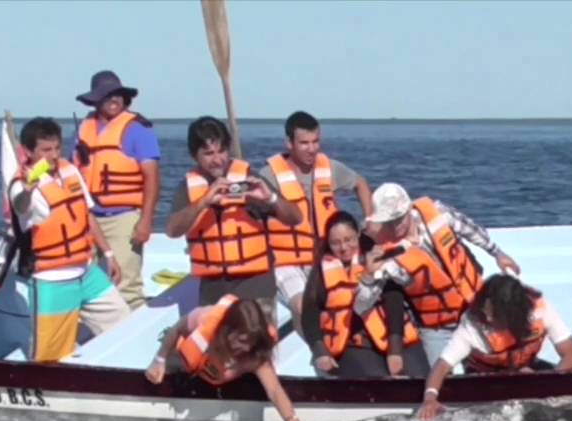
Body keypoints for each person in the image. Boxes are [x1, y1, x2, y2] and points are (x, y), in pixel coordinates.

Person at [356, 182, 521, 366]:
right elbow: (361, 304)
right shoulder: (384, 254)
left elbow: (470, 229)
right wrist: (368, 276)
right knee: (439, 374)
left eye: (399, 218)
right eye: (389, 222)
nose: (396, 226)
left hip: (475, 305)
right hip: (436, 326)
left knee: (501, 358)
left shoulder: (438, 214)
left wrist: (498, 253)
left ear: (409, 209)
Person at [8, 117, 129, 363]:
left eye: (56, 148)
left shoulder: (69, 170)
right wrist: (29, 189)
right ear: (28, 152)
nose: (53, 156)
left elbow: (87, 216)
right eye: (45, 150)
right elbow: (20, 208)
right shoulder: (21, 185)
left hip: (87, 272)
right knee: (49, 357)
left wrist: (108, 254)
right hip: (52, 280)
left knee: (125, 325)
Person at [164, 116, 302, 317]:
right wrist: (203, 201)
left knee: (258, 348)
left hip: (255, 288)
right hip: (213, 292)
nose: (218, 159)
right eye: (209, 154)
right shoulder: (188, 187)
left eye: (221, 151)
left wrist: (270, 198)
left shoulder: (248, 180)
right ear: (195, 156)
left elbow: (295, 218)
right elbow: (172, 230)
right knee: (216, 348)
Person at [146, 293, 309, 421]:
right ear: (227, 330)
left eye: (251, 341)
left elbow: (274, 390)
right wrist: (159, 360)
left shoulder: (253, 354)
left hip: (228, 377)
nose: (246, 347)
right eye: (242, 340)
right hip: (196, 363)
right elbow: (176, 329)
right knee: (165, 368)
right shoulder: (204, 318)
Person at [261, 111, 375, 322]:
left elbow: (360, 184)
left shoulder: (329, 168)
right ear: (289, 143)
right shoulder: (268, 176)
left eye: (316, 142)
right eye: (304, 143)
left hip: (326, 257)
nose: (312, 149)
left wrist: (369, 221)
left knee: (348, 304)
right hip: (287, 263)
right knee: (304, 307)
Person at [417, 274, 572, 420]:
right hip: (485, 379)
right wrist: (430, 398)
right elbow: (443, 365)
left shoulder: (541, 311)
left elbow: (571, 356)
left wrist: (543, 385)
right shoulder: (472, 324)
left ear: (513, 315)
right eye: (485, 311)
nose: (487, 317)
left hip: (527, 369)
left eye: (493, 316)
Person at [300, 212, 428, 379]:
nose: (343, 248)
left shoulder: (376, 257)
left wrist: (395, 350)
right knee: (378, 382)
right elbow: (309, 314)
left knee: (421, 380)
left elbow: (394, 301)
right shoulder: (322, 271)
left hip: (392, 336)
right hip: (353, 344)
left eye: (349, 240)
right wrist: (320, 351)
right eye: (335, 243)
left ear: (358, 235)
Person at [73, 71, 161, 310]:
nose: (113, 100)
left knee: (126, 287)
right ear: (95, 100)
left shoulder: (137, 129)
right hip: (88, 219)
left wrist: (146, 221)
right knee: (82, 280)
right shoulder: (84, 129)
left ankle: (132, 339)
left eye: (117, 95)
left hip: (124, 218)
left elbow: (152, 178)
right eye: (106, 95)